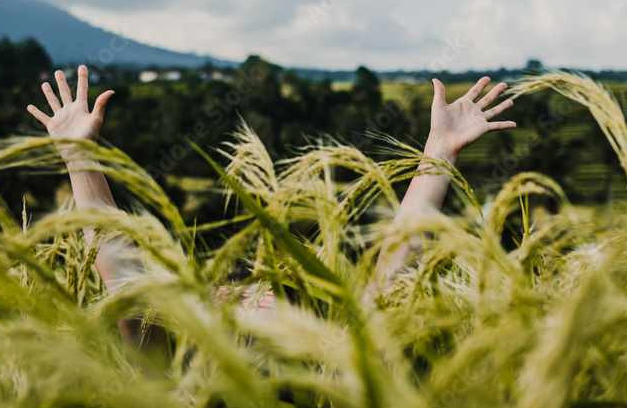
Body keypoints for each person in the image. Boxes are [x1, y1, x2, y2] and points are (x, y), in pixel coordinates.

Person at [27, 66, 515, 337]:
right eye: (234, 295)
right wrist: (77, 156)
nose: (252, 299)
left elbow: (399, 253)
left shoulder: (335, 366)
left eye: (272, 293)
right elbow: (121, 273)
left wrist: (439, 151)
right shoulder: (170, 368)